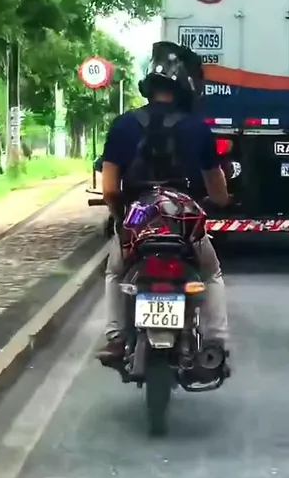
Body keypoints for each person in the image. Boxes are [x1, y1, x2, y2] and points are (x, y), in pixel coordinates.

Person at [95, 41, 232, 367]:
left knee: (114, 272)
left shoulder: (123, 125)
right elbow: (218, 191)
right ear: (184, 86)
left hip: (138, 222)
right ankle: (215, 342)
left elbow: (110, 189)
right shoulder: (198, 129)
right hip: (183, 224)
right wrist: (222, 201)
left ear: (149, 86)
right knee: (211, 273)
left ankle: (116, 339)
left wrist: (121, 218)